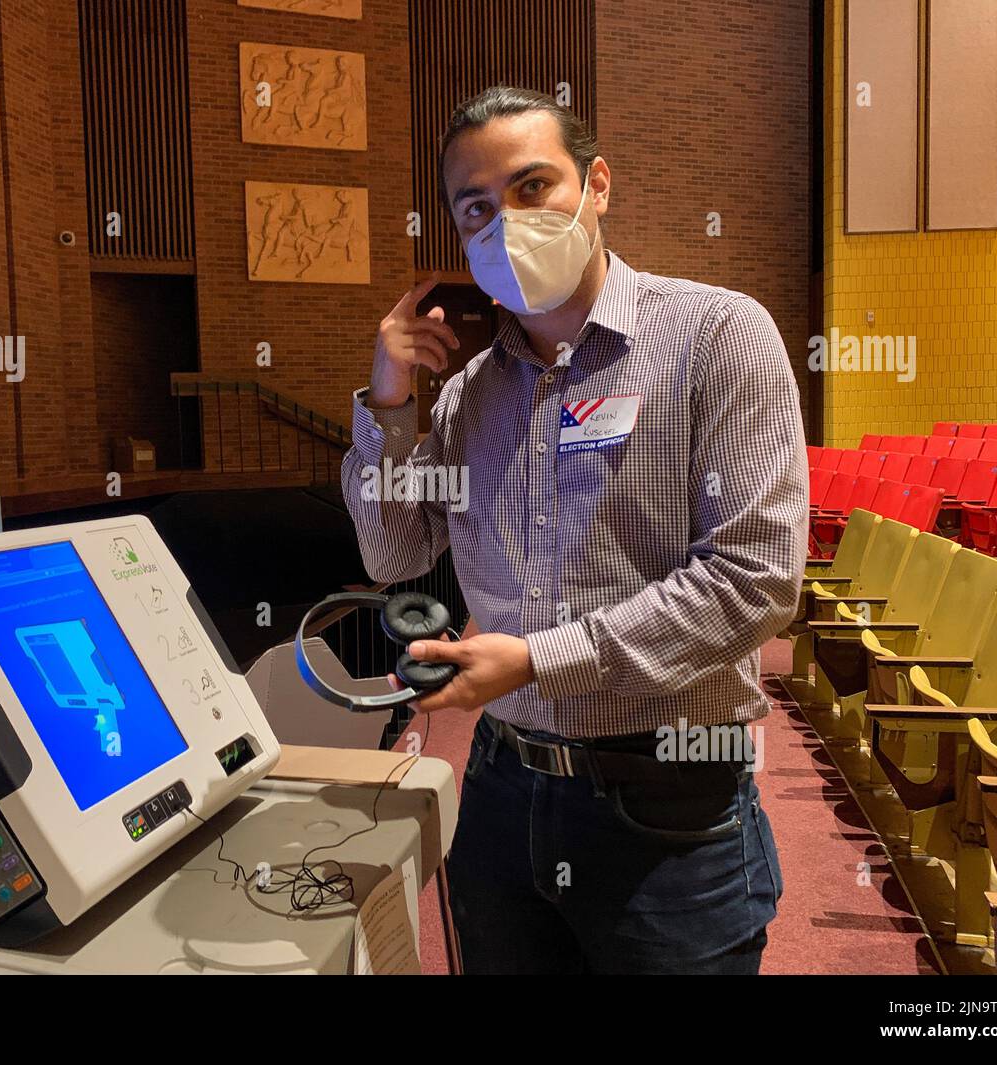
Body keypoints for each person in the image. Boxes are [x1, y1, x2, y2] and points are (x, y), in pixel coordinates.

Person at [340, 85, 808, 974]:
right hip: (503, 792)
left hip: (667, 802)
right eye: (476, 207)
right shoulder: (477, 389)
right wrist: (389, 407)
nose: (504, 222)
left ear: (596, 186)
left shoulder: (717, 334)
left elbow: (755, 579)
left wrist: (538, 658)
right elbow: (394, 551)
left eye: (531, 187)